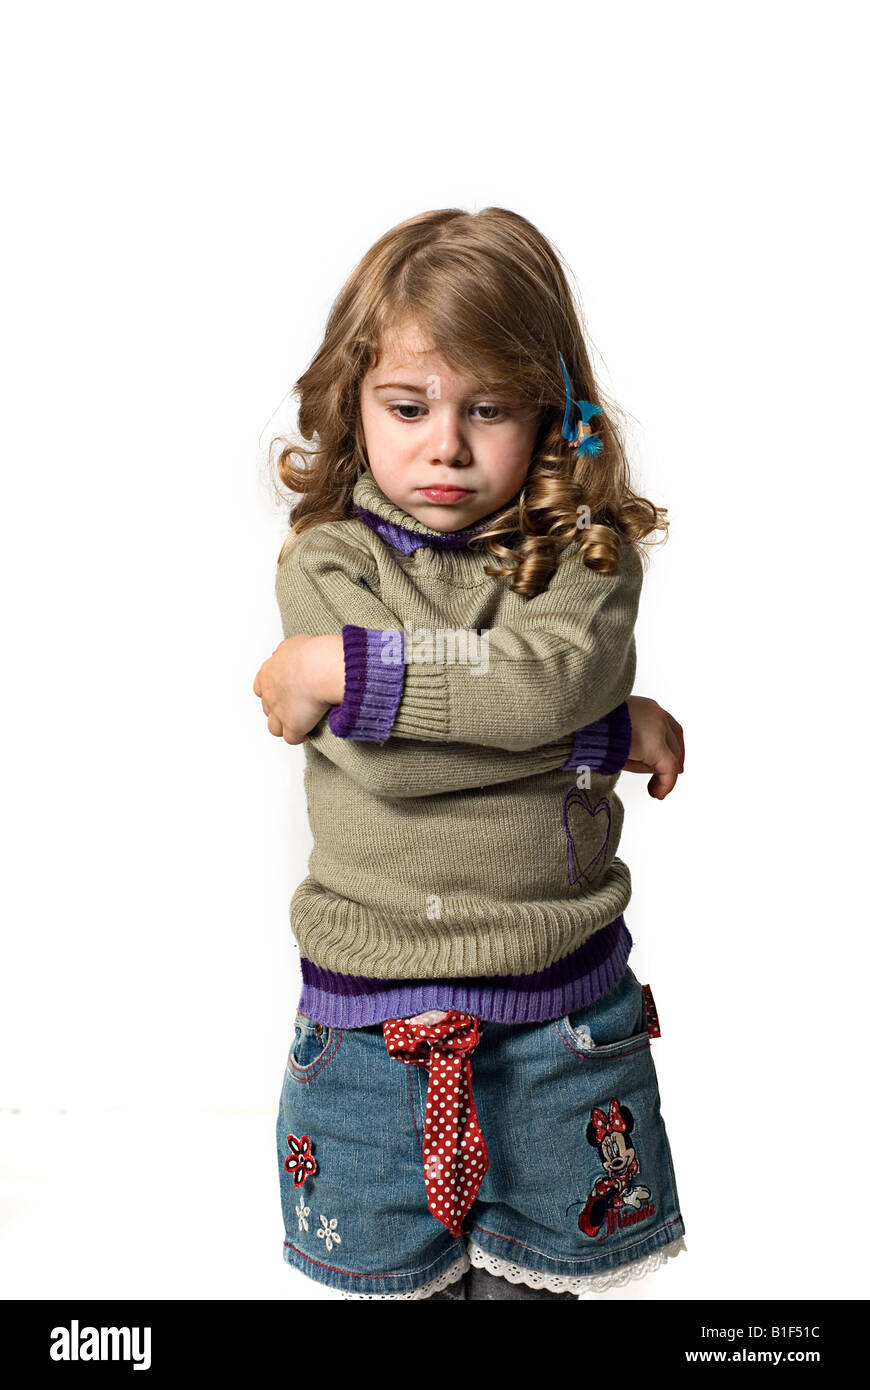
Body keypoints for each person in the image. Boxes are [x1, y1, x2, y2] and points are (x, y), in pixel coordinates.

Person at [253, 207, 687, 1300]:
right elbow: (395, 768)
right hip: (368, 1028)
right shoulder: (328, 560)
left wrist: (353, 675)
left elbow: (545, 678)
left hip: (560, 1026)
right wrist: (592, 734)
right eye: (408, 407)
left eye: (488, 409)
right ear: (355, 403)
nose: (444, 444)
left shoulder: (588, 555)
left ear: (552, 413)